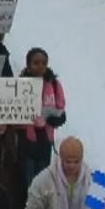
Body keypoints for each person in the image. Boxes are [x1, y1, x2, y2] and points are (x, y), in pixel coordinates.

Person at [18, 48, 69, 186]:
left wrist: (50, 119)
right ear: (28, 65)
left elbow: (61, 111)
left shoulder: (54, 84)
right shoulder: (18, 85)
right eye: (36, 63)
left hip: (45, 140)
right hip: (26, 141)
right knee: (28, 181)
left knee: (42, 181)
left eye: (44, 63)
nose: (40, 66)